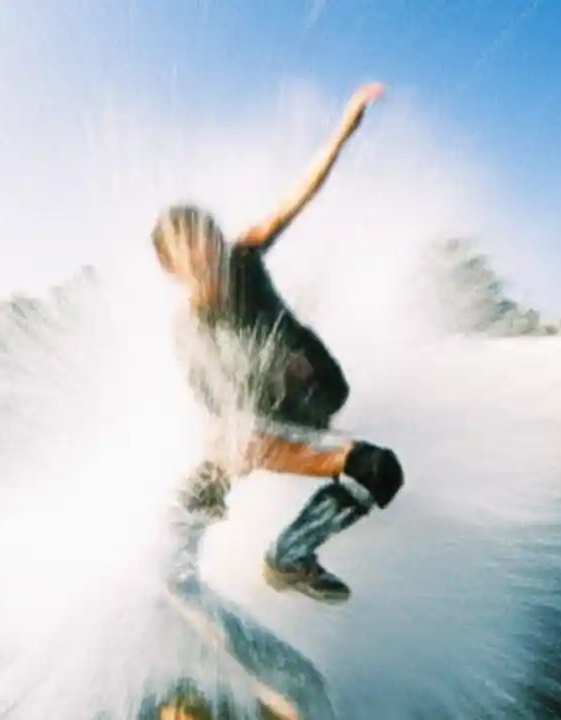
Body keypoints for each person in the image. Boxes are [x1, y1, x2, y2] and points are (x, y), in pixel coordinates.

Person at [153, 83, 403, 604]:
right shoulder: (188, 330)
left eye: (208, 239)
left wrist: (344, 127)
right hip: (260, 428)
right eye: (191, 254)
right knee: (224, 448)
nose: (209, 258)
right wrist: (239, 451)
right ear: (174, 271)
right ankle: (173, 547)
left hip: (315, 406)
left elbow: (297, 195)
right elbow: (219, 420)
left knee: (380, 470)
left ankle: (291, 557)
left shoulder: (244, 256)